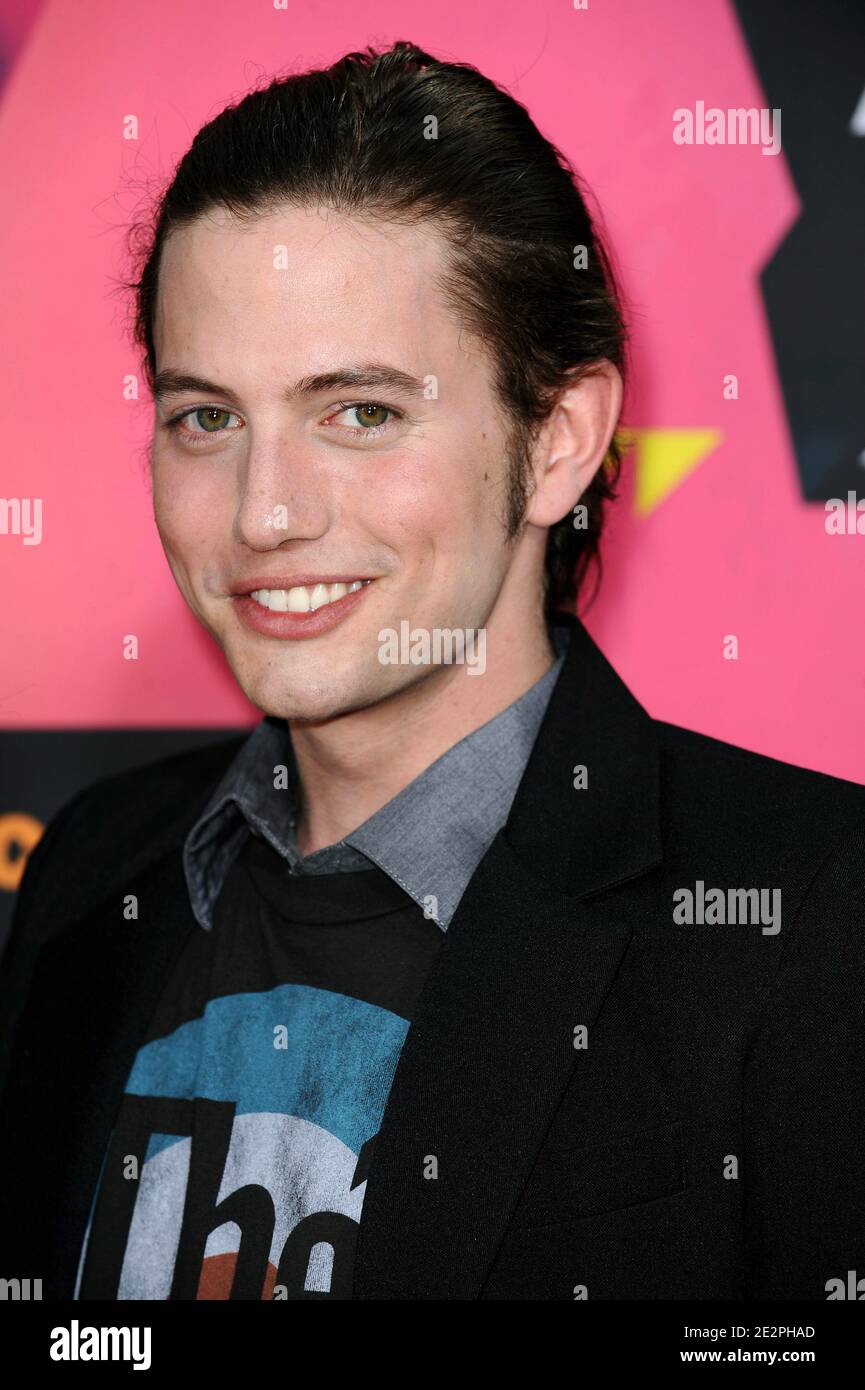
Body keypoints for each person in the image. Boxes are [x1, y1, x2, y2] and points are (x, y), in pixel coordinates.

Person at [1, 40, 863, 1302]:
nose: (265, 514)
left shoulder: (813, 919)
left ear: (560, 440)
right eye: (207, 417)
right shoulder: (92, 866)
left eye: (360, 412)